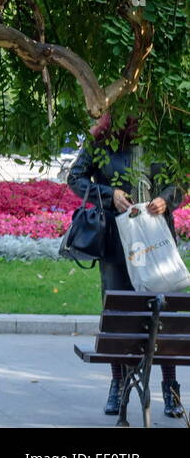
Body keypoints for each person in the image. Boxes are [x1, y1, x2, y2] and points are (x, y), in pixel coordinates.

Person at [68, 113, 185, 418]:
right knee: (118, 314)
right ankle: (117, 386)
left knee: (163, 313)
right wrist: (109, 194)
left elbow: (181, 181)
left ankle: (171, 389)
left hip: (156, 241)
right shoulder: (101, 141)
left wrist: (166, 199)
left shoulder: (163, 136)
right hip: (117, 243)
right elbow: (75, 178)